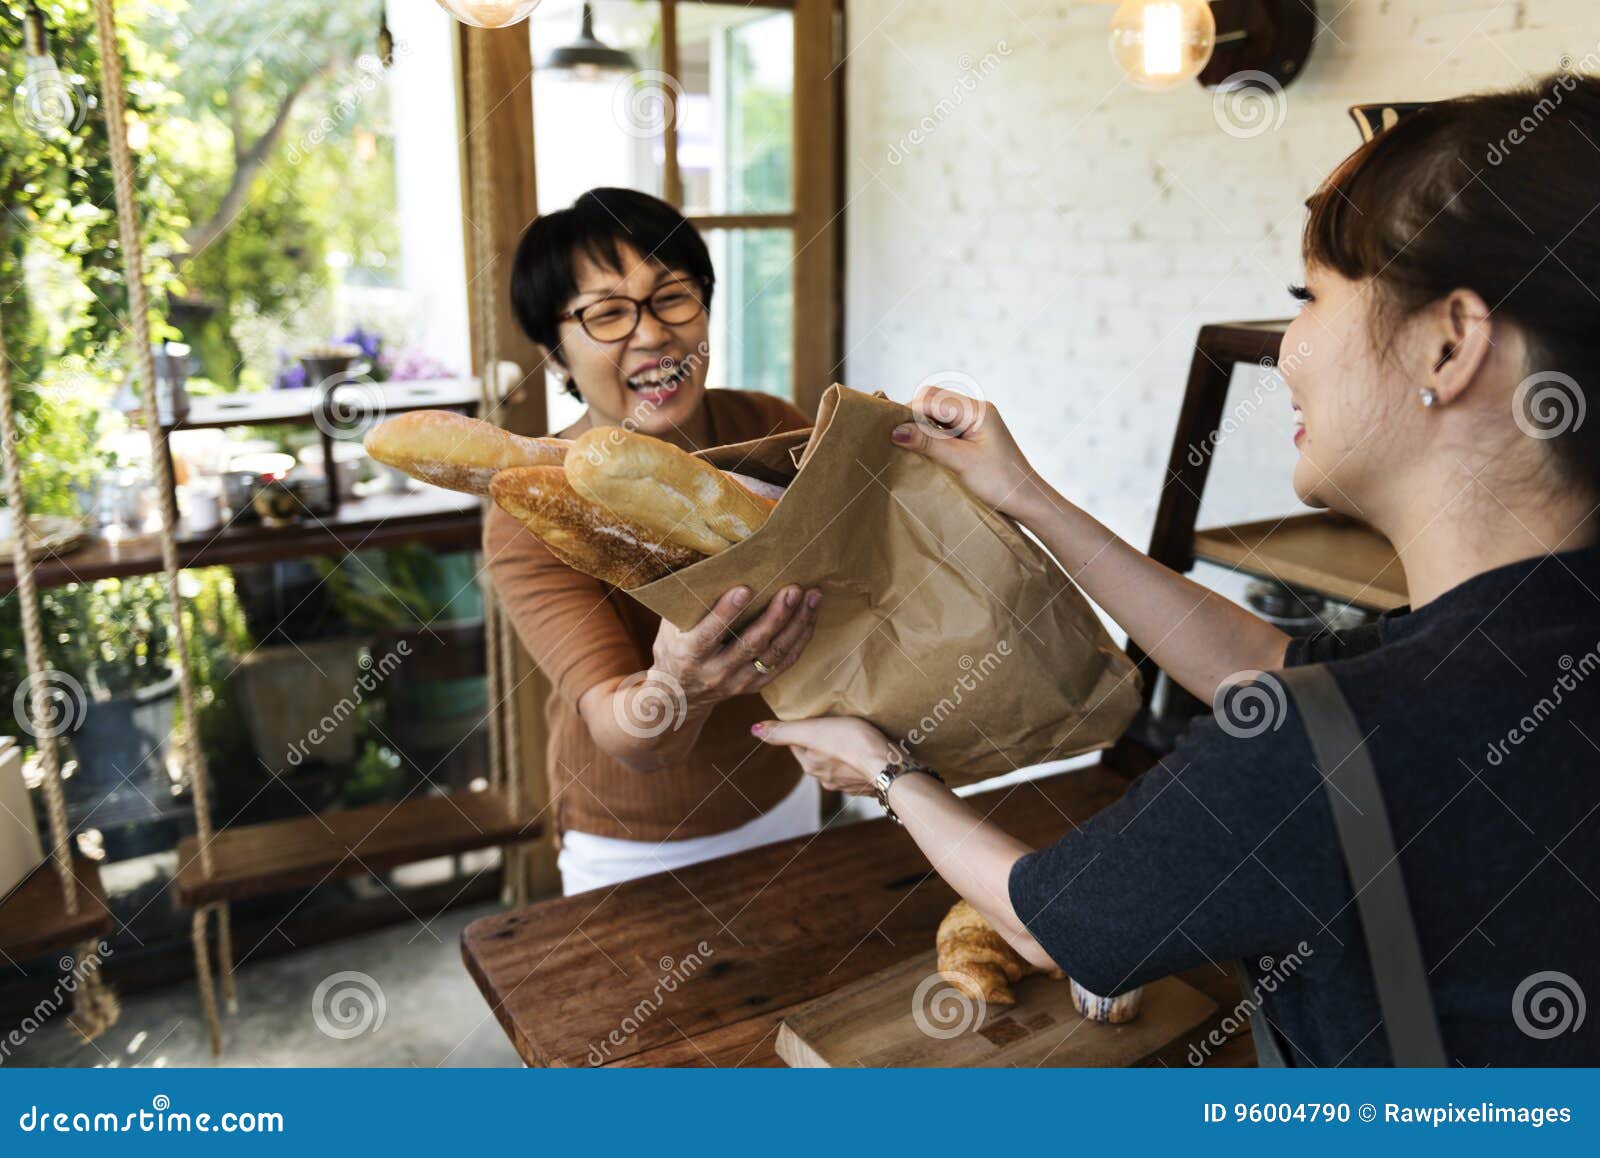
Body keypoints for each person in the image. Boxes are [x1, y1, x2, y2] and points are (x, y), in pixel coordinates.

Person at [752, 75, 1600, 1065]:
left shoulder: (1309, 757)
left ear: (1449, 343)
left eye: (1309, 297)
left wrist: (880, 768)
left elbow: (1046, 922)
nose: (1286, 349)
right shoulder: (1527, 641)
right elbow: (1269, 664)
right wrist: (1026, 495)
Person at [486, 187, 823, 896]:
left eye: (672, 296)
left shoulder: (769, 426)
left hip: (789, 791)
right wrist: (676, 688)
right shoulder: (532, 502)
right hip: (635, 843)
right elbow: (618, 722)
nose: (651, 334)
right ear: (554, 353)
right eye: (607, 313)